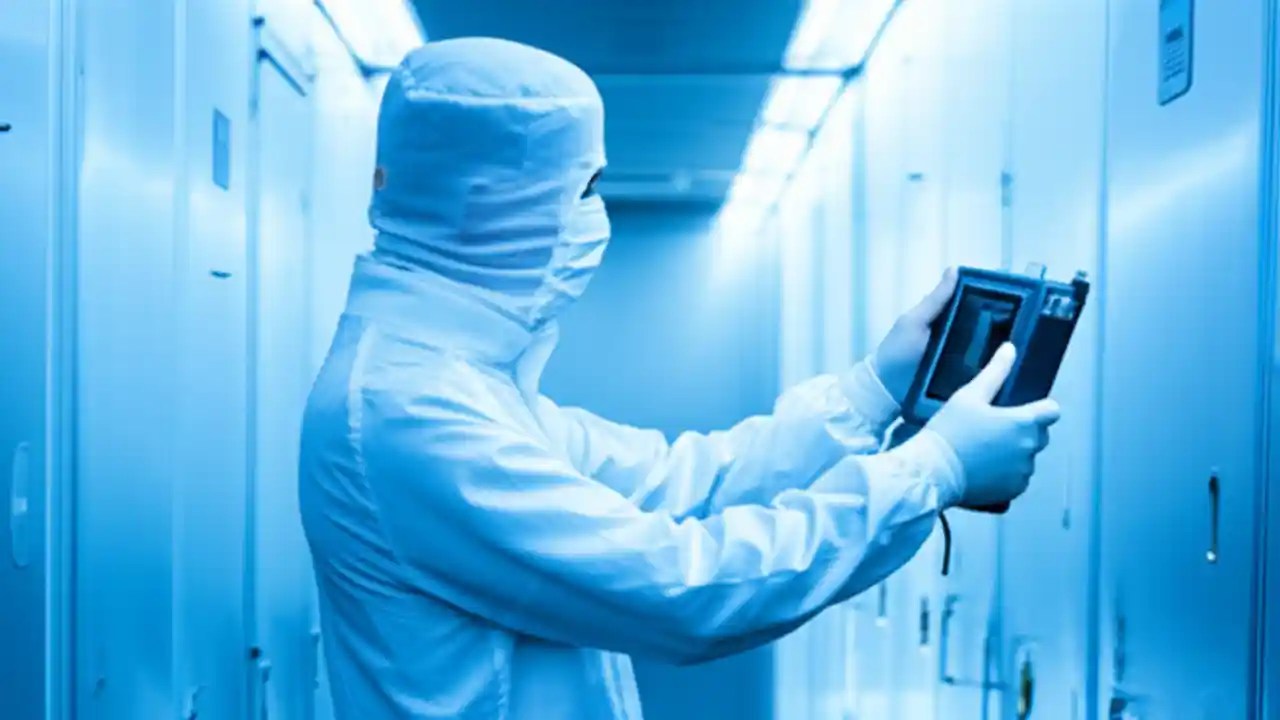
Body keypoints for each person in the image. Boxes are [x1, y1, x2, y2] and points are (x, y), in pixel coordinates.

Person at [298, 37, 1061, 720]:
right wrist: (935, 467)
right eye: (586, 189)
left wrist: (870, 392)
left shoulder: (460, 382)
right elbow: (686, 590)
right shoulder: (410, 408)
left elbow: (676, 481)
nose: (597, 217)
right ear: (491, 207)